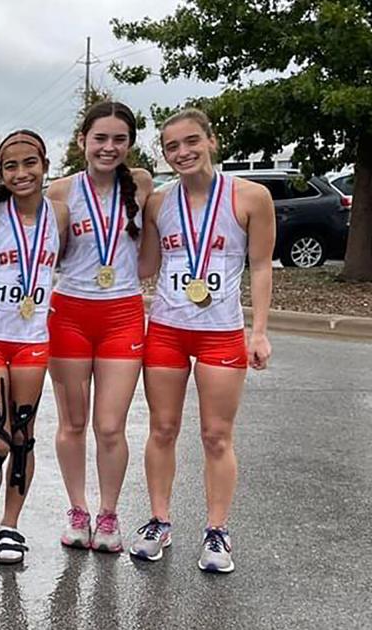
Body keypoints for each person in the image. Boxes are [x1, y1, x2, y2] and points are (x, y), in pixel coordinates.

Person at [129, 108, 274, 574]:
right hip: (167, 330)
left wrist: (260, 332)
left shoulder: (251, 196)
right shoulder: (158, 203)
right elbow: (145, 265)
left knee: (216, 435)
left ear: (212, 140)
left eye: (191, 141)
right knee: (163, 429)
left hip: (221, 332)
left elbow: (261, 266)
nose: (183, 152)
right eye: (171, 147)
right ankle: (159, 520)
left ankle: (217, 531)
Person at [44, 102, 154, 553]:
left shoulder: (143, 183)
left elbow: (152, 252)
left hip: (122, 313)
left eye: (119, 140)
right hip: (69, 313)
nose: (109, 148)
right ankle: (78, 510)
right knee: (73, 423)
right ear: (82, 142)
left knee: (110, 426)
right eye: (100, 139)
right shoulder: (59, 191)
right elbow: (44, 255)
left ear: (129, 144)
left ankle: (109, 515)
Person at [0, 130, 69, 566]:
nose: (21, 173)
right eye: (10, 166)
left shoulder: (59, 216)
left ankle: (11, 526)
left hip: (33, 340)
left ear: (45, 164)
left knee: (24, 438)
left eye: (30, 164)